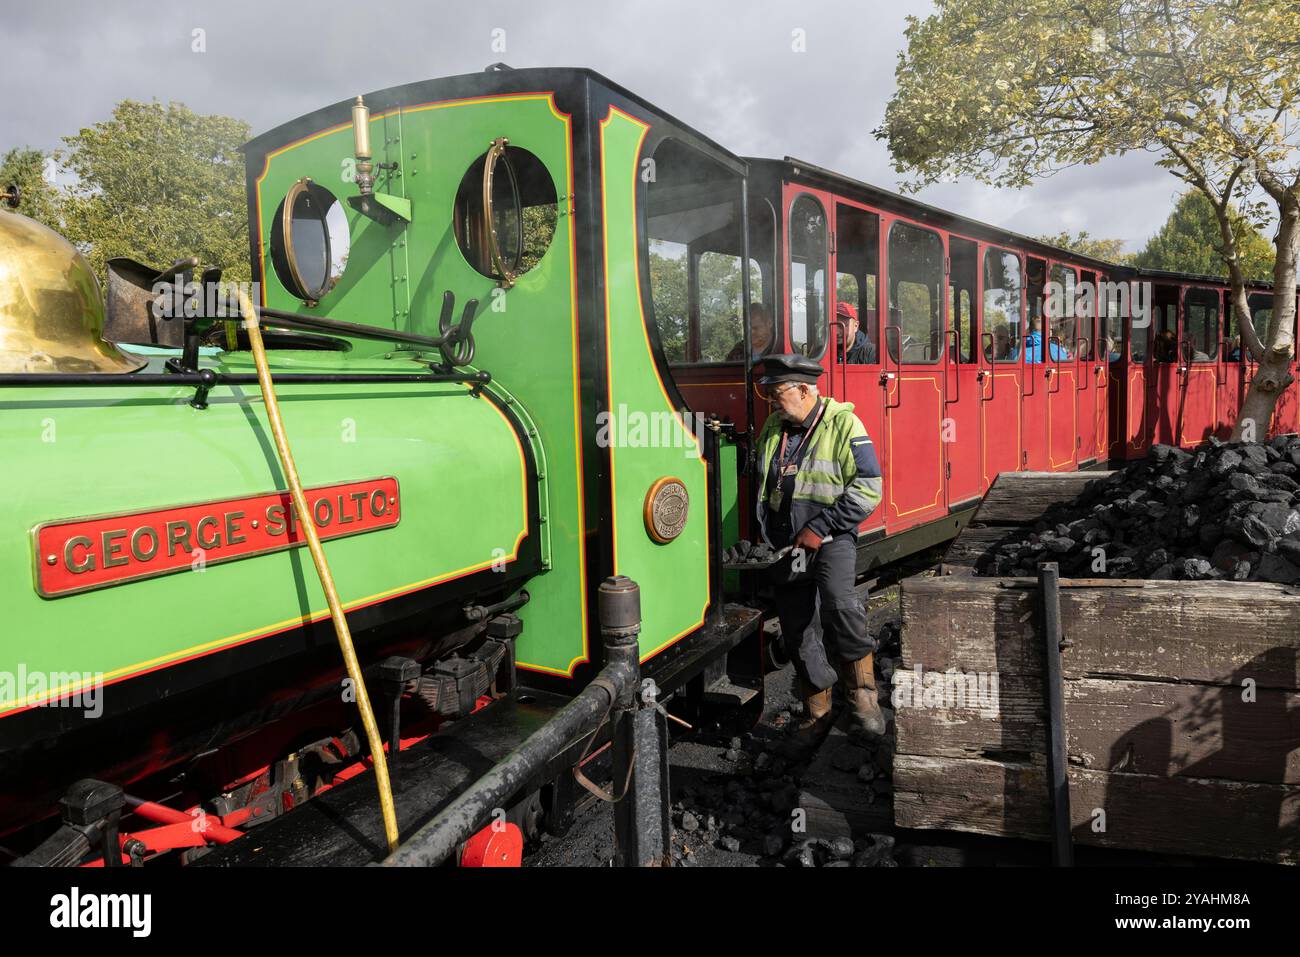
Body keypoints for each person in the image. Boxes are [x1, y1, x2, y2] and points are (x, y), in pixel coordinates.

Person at [753, 354, 885, 755]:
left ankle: (863, 697)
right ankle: (817, 713)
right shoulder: (775, 426)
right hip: (784, 544)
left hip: (831, 540)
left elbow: (869, 488)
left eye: (779, 395)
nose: (774, 404)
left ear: (805, 390)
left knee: (840, 607)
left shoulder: (845, 424)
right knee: (798, 627)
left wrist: (819, 527)